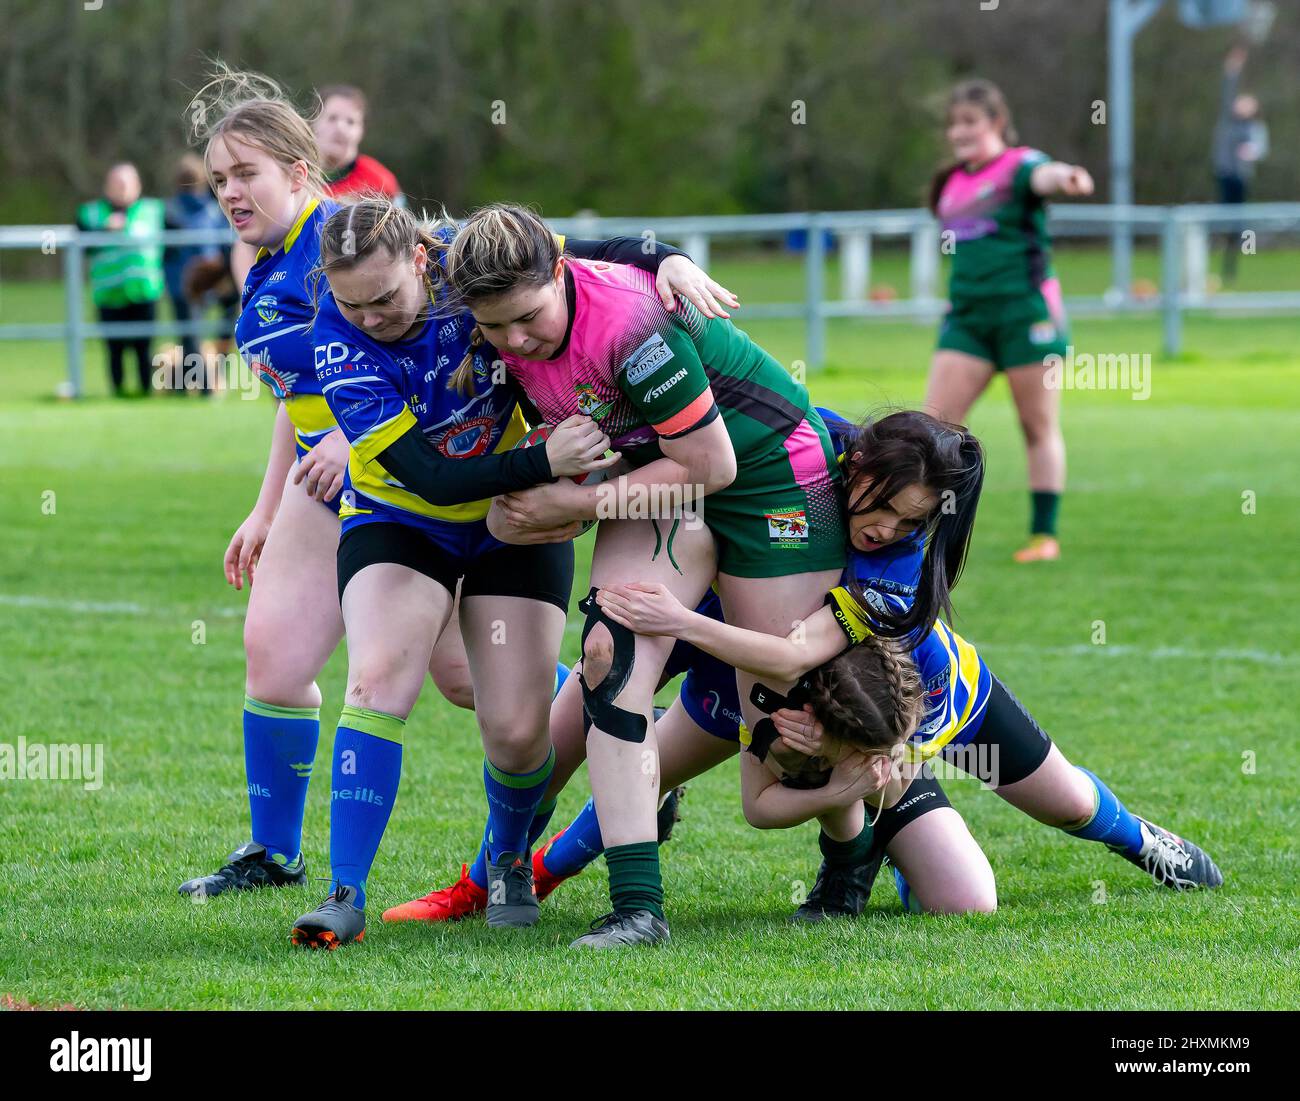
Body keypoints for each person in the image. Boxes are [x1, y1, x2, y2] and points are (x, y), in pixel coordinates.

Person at [173, 71, 733, 918]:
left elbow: (545, 253)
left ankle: (586, 747)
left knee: (481, 690)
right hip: (381, 485)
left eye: (243, 172)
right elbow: (304, 400)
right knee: (294, 657)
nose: (229, 192)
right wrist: (273, 496)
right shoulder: (270, 279)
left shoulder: (380, 238)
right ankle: (287, 857)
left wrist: (665, 257)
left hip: (466, 487)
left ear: (299, 167)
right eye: (217, 179)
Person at [286, 199, 735, 948]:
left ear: (425, 262)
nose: (369, 317)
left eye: (386, 298)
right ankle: (344, 893)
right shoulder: (336, 342)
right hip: (406, 519)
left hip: (519, 522)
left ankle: (507, 859)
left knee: (519, 735)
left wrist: (668, 261)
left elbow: (585, 248)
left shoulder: (473, 259)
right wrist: (545, 462)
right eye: (349, 301)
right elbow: (429, 476)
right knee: (375, 681)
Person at [597, 411, 1224, 915]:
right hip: (857, 722)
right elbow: (736, 414)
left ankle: (1141, 841)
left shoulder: (896, 566)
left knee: (1069, 806)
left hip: (935, 701)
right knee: (962, 903)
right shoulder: (812, 448)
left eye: (911, 520)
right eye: (883, 505)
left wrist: (680, 623)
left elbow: (793, 654)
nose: (887, 528)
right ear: (860, 462)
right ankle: (874, 851)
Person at [441, 204, 851, 947]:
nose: (515, 341)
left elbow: (713, 465)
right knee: (607, 659)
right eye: (495, 327)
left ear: (559, 272)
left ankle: (850, 858)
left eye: (528, 318)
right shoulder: (489, 298)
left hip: (770, 481)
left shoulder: (631, 327)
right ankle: (637, 908)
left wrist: (579, 502)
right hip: (661, 475)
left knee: (788, 714)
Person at [923, 79, 1093, 564]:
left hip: (1026, 315)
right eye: (954, 124)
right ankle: (925, 532)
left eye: (970, 122)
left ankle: (1044, 535)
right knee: (935, 428)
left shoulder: (1019, 166)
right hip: (968, 320)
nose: (960, 132)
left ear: (996, 122)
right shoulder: (950, 184)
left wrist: (1068, 177)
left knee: (1035, 424)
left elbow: (1047, 176)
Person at [77, 163, 165, 397]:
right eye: (118, 184)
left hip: (144, 292)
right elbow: (65, 246)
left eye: (127, 184)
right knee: (114, 348)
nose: (123, 189)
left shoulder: (154, 210)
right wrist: (103, 232)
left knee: (144, 347)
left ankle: (147, 392)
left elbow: (179, 240)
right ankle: (117, 392)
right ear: (107, 187)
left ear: (138, 186)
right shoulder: (91, 214)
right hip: (109, 294)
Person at [1213, 46, 1268, 285]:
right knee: (1220, 216)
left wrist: (1251, 152)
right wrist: (1233, 69)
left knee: (1238, 222)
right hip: (1224, 174)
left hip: (1240, 177)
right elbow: (1227, 91)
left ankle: (1231, 266)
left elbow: (1260, 148)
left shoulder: (1254, 128)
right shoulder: (1228, 120)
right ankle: (1210, 250)